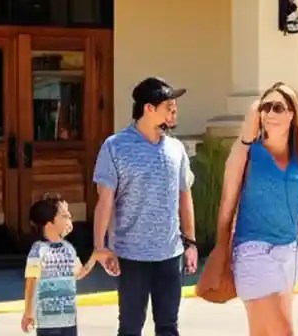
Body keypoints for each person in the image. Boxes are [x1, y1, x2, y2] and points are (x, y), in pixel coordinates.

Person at [216, 81, 298, 336]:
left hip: (290, 254)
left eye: (278, 107)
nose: (269, 114)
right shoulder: (247, 151)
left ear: (292, 114)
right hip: (253, 252)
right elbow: (227, 198)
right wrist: (222, 250)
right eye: (265, 107)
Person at [91, 76, 197, 336]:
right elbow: (104, 201)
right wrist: (100, 247)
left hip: (170, 254)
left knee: (168, 327)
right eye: (169, 106)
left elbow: (185, 196)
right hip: (131, 256)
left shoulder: (176, 149)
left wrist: (191, 243)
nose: (174, 111)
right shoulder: (115, 147)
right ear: (149, 108)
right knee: (129, 328)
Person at [22, 193, 98, 336]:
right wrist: (28, 313)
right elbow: (31, 282)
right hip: (47, 321)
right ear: (49, 224)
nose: (70, 219)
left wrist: (94, 257)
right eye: (64, 216)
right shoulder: (38, 250)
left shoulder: (69, 248)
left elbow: (78, 273)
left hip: (69, 320)